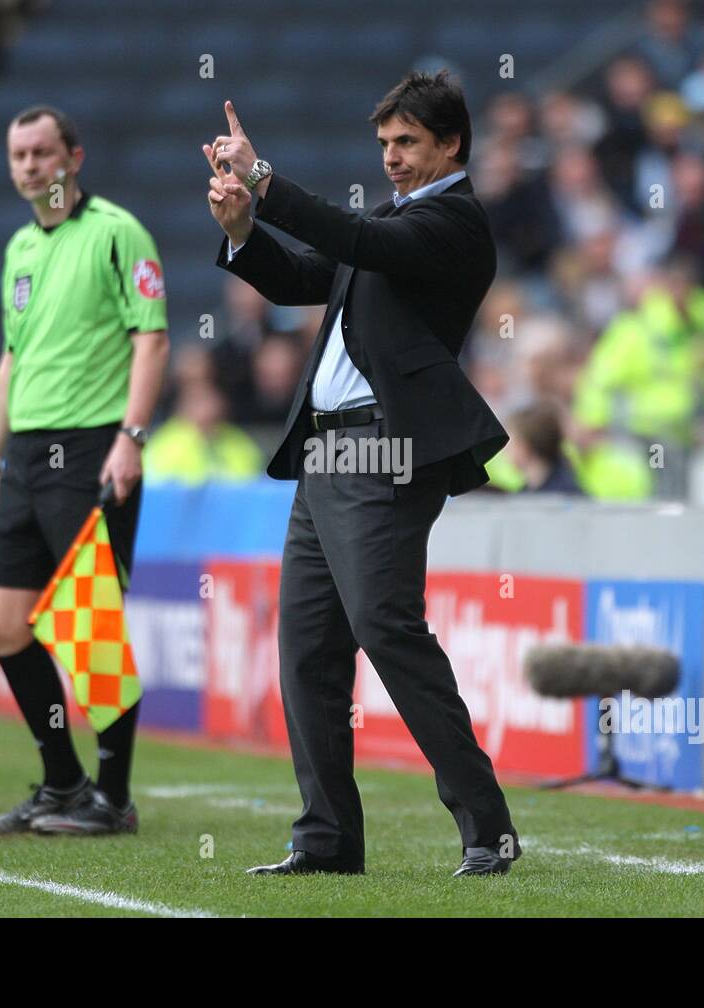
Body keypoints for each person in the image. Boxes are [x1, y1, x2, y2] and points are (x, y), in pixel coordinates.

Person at [205, 71, 521, 877]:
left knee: (386, 628)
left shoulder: (453, 222)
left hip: (384, 449)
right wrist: (245, 230)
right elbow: (310, 278)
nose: (391, 158)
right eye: (384, 144)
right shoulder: (390, 219)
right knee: (308, 646)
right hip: (327, 451)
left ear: (451, 145)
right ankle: (326, 839)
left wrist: (265, 178)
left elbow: (356, 244)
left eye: (407, 142)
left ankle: (488, 825)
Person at [0, 105, 168, 836]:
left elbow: (152, 341)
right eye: (18, 154)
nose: (29, 165)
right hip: (24, 454)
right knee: (2, 623)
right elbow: (11, 361)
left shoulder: (118, 233)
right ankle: (61, 781)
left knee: (89, 630)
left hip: (92, 449)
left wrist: (131, 437)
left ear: (73, 158)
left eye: (42, 152)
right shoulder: (20, 248)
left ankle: (113, 800)